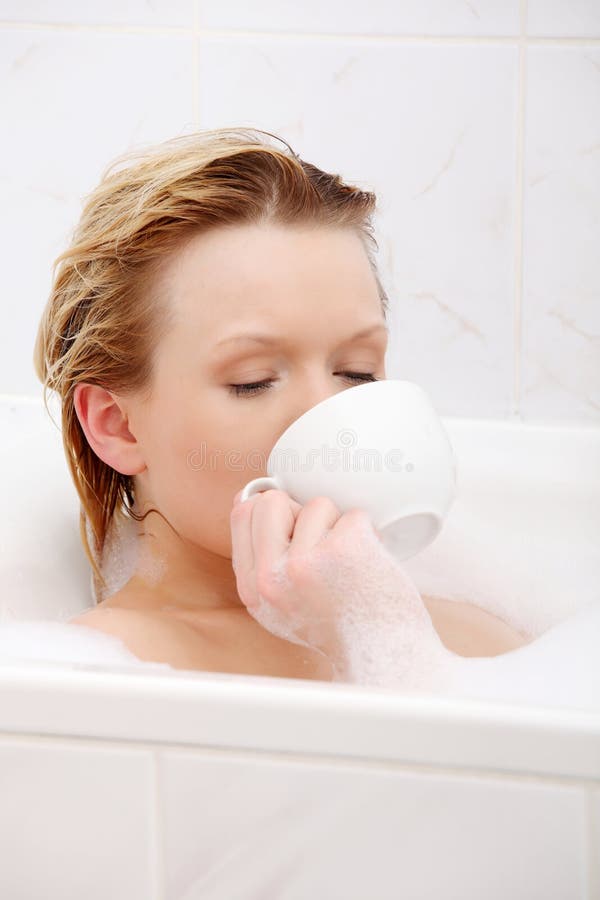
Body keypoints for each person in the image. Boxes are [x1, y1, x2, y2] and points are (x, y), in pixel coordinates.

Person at [33, 127, 530, 684]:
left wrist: (380, 641)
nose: (326, 412)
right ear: (117, 426)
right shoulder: (87, 675)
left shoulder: (472, 643)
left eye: (356, 372)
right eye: (254, 381)